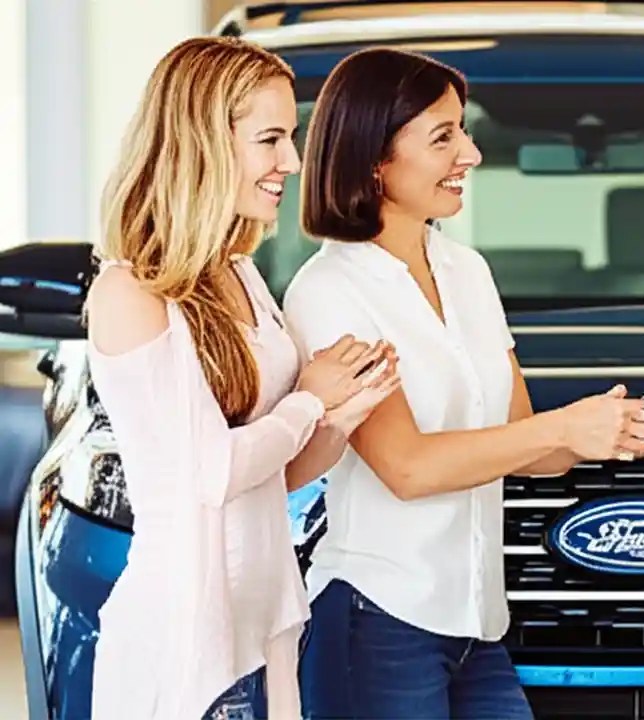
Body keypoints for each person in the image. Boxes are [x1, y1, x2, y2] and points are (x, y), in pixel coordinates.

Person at [283, 48, 644, 719]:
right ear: (374, 159)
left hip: (476, 626)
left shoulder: (466, 271)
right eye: (444, 136)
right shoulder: (331, 290)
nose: (470, 153)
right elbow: (407, 468)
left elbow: (528, 446)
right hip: (379, 620)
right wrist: (563, 426)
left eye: (463, 130)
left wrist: (615, 431)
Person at [84, 37, 399, 720]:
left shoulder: (242, 274)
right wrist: (310, 397)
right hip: (188, 648)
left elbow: (277, 475)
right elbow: (213, 474)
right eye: (271, 139)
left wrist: (343, 411)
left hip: (265, 631)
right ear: (202, 141)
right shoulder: (132, 294)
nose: (291, 161)